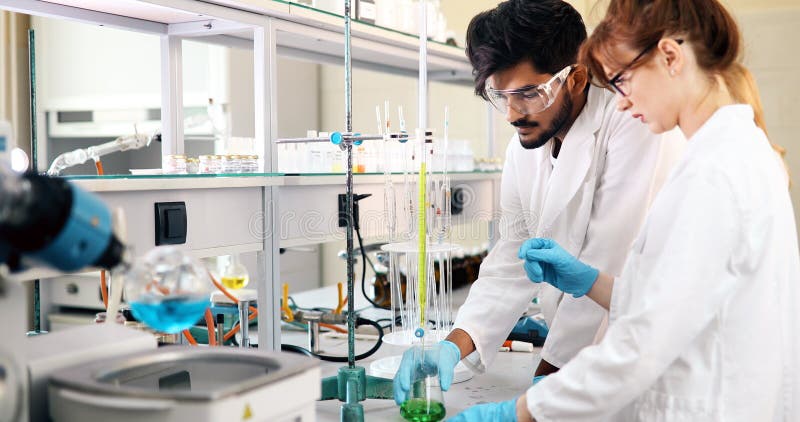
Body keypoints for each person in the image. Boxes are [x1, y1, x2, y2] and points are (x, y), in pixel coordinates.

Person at [451, 0, 799, 420]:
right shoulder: (731, 152)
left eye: (621, 80)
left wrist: (523, 410)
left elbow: (641, 343)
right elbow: (668, 300)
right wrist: (593, 282)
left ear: (670, 57)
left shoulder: (712, 173)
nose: (618, 101)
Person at [393, 0, 684, 406]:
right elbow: (513, 253)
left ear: (577, 79)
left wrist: (536, 397)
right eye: (501, 95)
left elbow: (608, 265)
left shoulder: (631, 123)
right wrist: (453, 344)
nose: (512, 114)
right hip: (580, 355)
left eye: (528, 93)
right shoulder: (526, 145)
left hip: (641, 354)